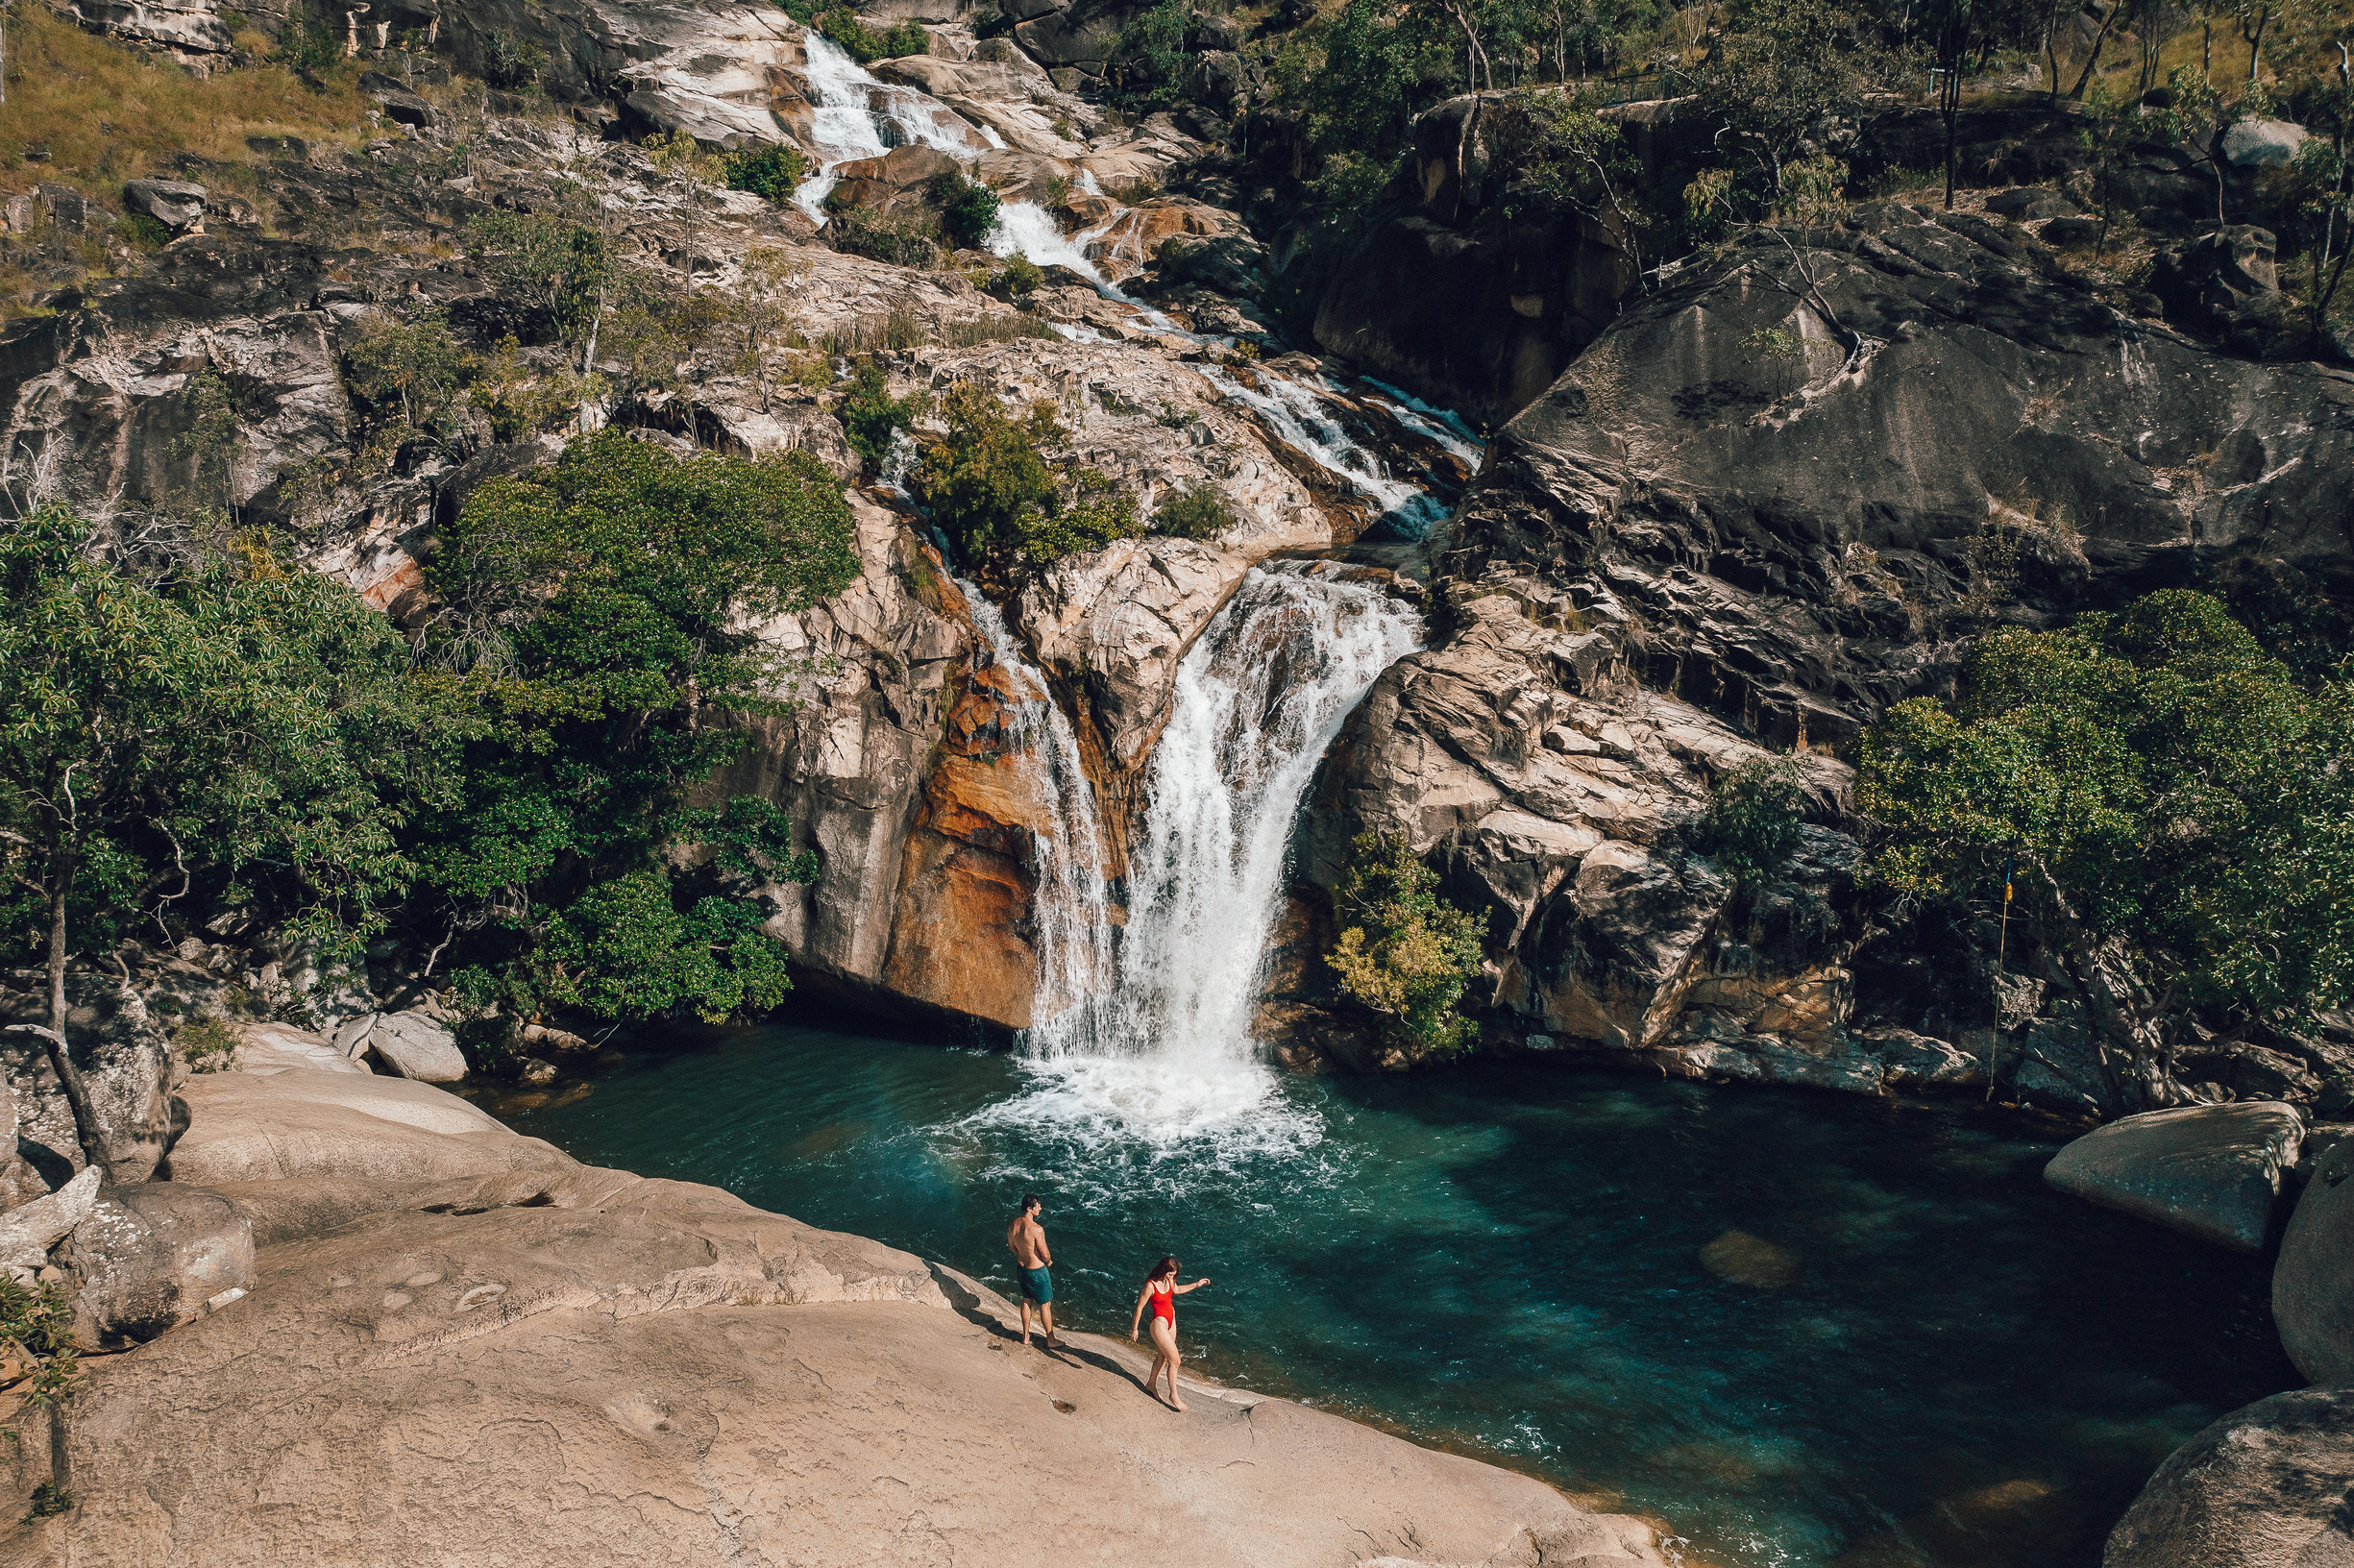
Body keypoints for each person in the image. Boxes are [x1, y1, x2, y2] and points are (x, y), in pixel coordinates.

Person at [1128, 1255, 1210, 1411]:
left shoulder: (1170, 1280)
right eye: (1170, 1274)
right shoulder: (1150, 1286)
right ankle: (1174, 1395)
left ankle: (1151, 1384)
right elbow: (1139, 1307)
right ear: (1163, 1270)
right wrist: (1134, 1328)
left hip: (1171, 1319)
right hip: (1159, 1323)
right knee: (1175, 1360)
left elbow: (1177, 1290)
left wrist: (1197, 1284)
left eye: (1174, 1275)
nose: (1172, 1277)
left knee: (1163, 1357)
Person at [1005, 1193, 1058, 1349]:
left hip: (1022, 1269)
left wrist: (1022, 1254)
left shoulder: (1013, 1224)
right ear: (1029, 1208)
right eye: (1037, 1206)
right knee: (1045, 1305)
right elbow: (1045, 1254)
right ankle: (1051, 1340)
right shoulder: (1037, 1229)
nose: (1040, 1208)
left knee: (1027, 1301)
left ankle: (1026, 1336)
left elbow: (1011, 1247)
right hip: (1037, 1271)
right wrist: (1048, 1262)